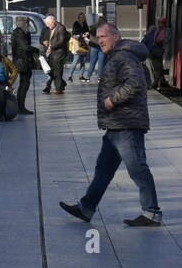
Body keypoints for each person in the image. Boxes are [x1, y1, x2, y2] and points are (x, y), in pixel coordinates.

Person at [60, 22, 162, 228]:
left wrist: (112, 99)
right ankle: (86, 207)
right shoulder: (119, 54)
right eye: (98, 37)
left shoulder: (124, 56)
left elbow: (134, 83)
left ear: (116, 37)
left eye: (104, 37)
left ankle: (151, 213)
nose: (101, 41)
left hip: (127, 123)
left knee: (137, 169)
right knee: (104, 169)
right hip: (116, 124)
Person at [11, 17, 35, 115]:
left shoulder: (23, 33)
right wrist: (36, 50)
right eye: (27, 24)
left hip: (24, 61)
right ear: (24, 24)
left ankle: (21, 106)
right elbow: (25, 47)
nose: (28, 26)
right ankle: (20, 107)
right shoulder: (19, 33)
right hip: (22, 62)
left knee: (24, 84)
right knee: (24, 84)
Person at [42, 15, 70, 94]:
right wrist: (49, 47)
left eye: (48, 24)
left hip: (59, 53)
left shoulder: (60, 28)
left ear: (52, 22)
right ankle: (61, 83)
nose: (47, 26)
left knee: (58, 71)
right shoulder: (52, 27)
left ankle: (59, 89)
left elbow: (61, 41)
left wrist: (52, 47)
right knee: (49, 70)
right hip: (53, 53)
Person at [141, 17, 168, 90]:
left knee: (152, 70)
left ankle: (153, 84)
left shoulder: (149, 35)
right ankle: (157, 83)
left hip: (151, 54)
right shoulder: (161, 32)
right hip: (159, 53)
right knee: (158, 69)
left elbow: (142, 44)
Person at [70, 17, 92, 81]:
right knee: (75, 61)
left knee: (83, 61)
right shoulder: (76, 24)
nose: (82, 18)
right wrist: (81, 35)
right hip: (77, 44)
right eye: (81, 17)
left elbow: (88, 34)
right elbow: (74, 34)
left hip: (84, 45)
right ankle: (70, 76)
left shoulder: (85, 25)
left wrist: (87, 34)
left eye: (83, 17)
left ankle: (81, 76)